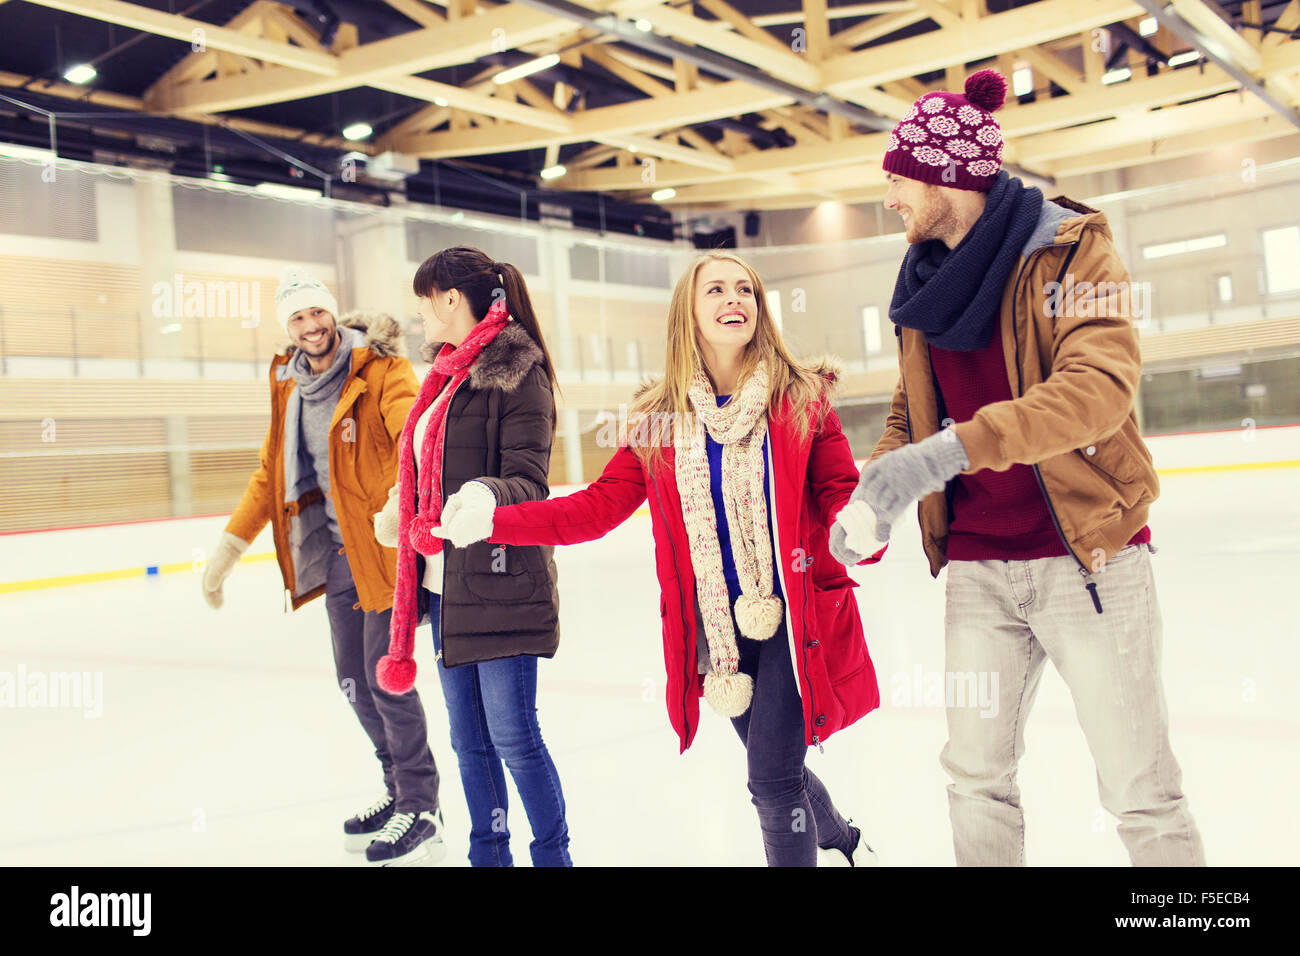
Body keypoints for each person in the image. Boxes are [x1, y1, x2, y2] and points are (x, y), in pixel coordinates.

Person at [832, 69, 1205, 866]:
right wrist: (879, 492)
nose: (890, 198)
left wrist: (948, 451)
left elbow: (1094, 392)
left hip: (1087, 559)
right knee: (974, 777)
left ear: (946, 174)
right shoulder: (924, 282)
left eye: (898, 178)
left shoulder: (1074, 251)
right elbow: (914, 409)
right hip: (976, 567)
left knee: (1139, 786)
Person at [432, 252, 885, 867]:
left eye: (746, 290)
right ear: (688, 314)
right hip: (717, 631)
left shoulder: (799, 401)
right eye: (717, 290)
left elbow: (840, 499)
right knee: (776, 765)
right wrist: (499, 519)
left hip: (791, 617)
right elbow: (596, 508)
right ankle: (845, 840)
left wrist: (861, 526)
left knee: (772, 780)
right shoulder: (659, 419)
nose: (735, 300)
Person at [201, 266, 444, 867]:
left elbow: (414, 432)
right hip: (335, 556)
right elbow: (270, 474)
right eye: (297, 318)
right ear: (287, 328)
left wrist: (401, 507)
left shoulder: (381, 369)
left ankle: (424, 805)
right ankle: (397, 792)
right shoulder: (287, 385)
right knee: (354, 682)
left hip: (384, 547)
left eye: (317, 313)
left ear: (333, 314)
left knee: (383, 675)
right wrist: (228, 549)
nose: (311, 326)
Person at [373, 246, 571, 867]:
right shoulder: (447, 374)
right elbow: (428, 469)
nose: (419, 317)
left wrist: (485, 494)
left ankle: (552, 857)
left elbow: (528, 482)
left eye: (424, 303)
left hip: (502, 581)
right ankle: (488, 856)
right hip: (444, 586)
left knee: (514, 738)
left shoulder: (518, 369)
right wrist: (399, 504)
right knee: (469, 743)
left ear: (451, 299)